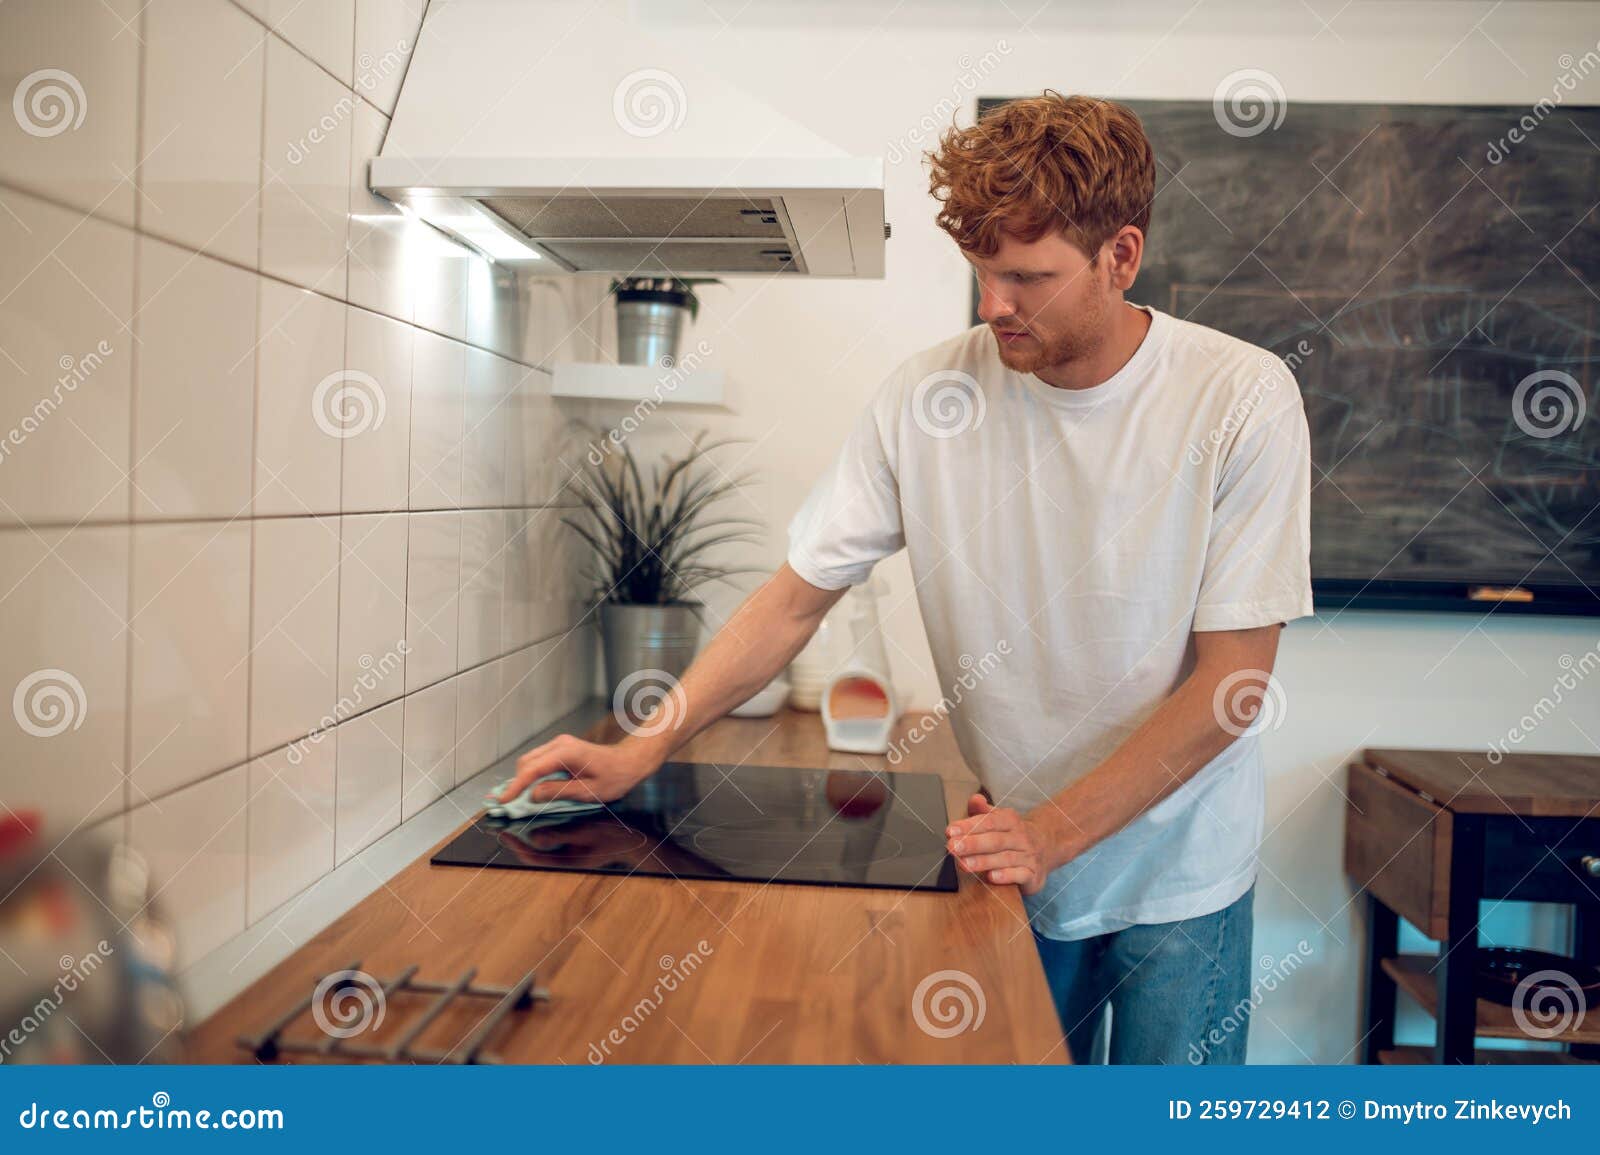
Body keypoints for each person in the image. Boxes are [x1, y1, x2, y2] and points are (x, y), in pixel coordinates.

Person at [495, 91, 1312, 1064]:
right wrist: (641, 748)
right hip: (1013, 854)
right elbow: (795, 598)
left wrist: (1053, 832)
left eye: (1025, 277)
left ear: (1120, 257)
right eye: (978, 273)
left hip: (1177, 869)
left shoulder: (1239, 395)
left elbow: (1232, 685)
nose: (991, 306)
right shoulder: (929, 397)